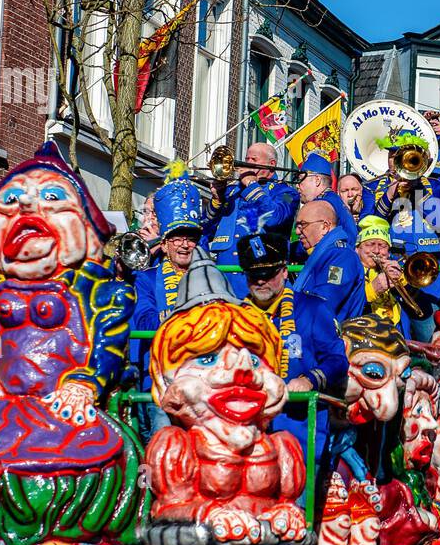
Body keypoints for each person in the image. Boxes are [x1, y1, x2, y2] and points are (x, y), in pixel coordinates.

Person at [236, 233, 347, 461]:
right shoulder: (235, 316)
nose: (260, 281)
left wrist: (309, 380)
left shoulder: (313, 308)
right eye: (253, 275)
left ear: (284, 272)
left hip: (299, 425)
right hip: (247, 426)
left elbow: (337, 360)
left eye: (267, 274)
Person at [133, 169, 205, 442]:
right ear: (163, 244)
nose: (184, 245)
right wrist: (186, 319)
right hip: (160, 382)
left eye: (190, 237)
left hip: (201, 383)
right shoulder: (147, 278)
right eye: (177, 238)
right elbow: (144, 321)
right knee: (162, 448)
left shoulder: (210, 276)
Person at [204, 141, 300, 297]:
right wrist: (217, 200)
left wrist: (251, 184)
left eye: (253, 160)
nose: (247, 164)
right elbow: (205, 230)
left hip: (259, 281)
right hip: (224, 282)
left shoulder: (287, 193)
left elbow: (275, 218)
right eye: (246, 159)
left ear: (271, 164)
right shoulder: (232, 192)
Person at [293, 199, 365, 322]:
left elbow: (325, 300)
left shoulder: (342, 257)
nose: (297, 231)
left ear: (324, 227)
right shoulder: (327, 254)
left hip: (330, 337)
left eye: (302, 225)